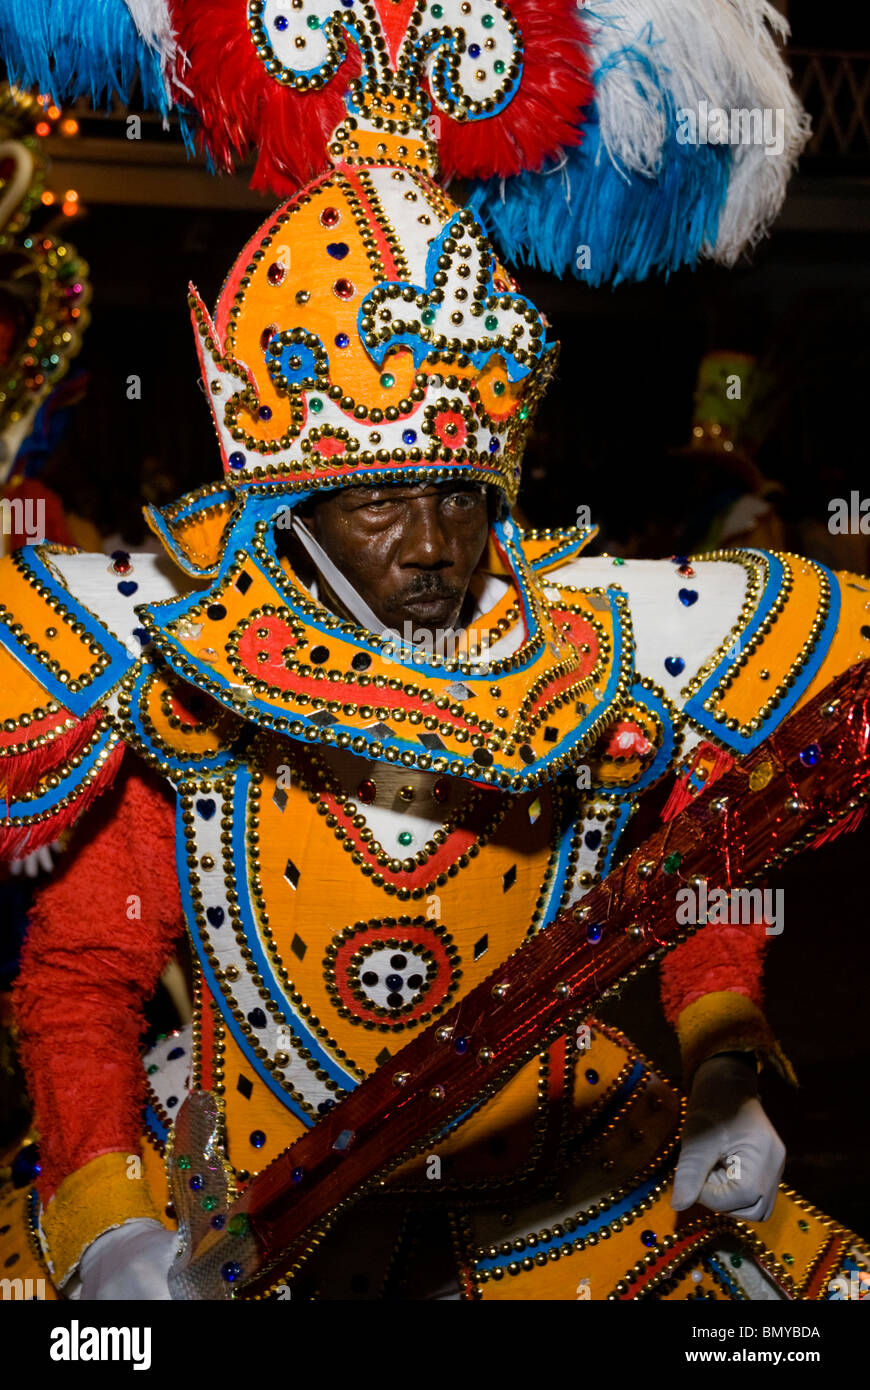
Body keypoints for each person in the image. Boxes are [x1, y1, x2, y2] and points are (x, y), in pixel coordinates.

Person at [0, 0, 867, 1302]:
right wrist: (109, 1214)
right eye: (380, 497)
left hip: (568, 1190)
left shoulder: (617, 659)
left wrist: (724, 1061)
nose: (433, 541)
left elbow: (704, 885)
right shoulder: (171, 684)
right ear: (285, 500)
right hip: (239, 1197)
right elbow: (83, 978)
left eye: (458, 490)